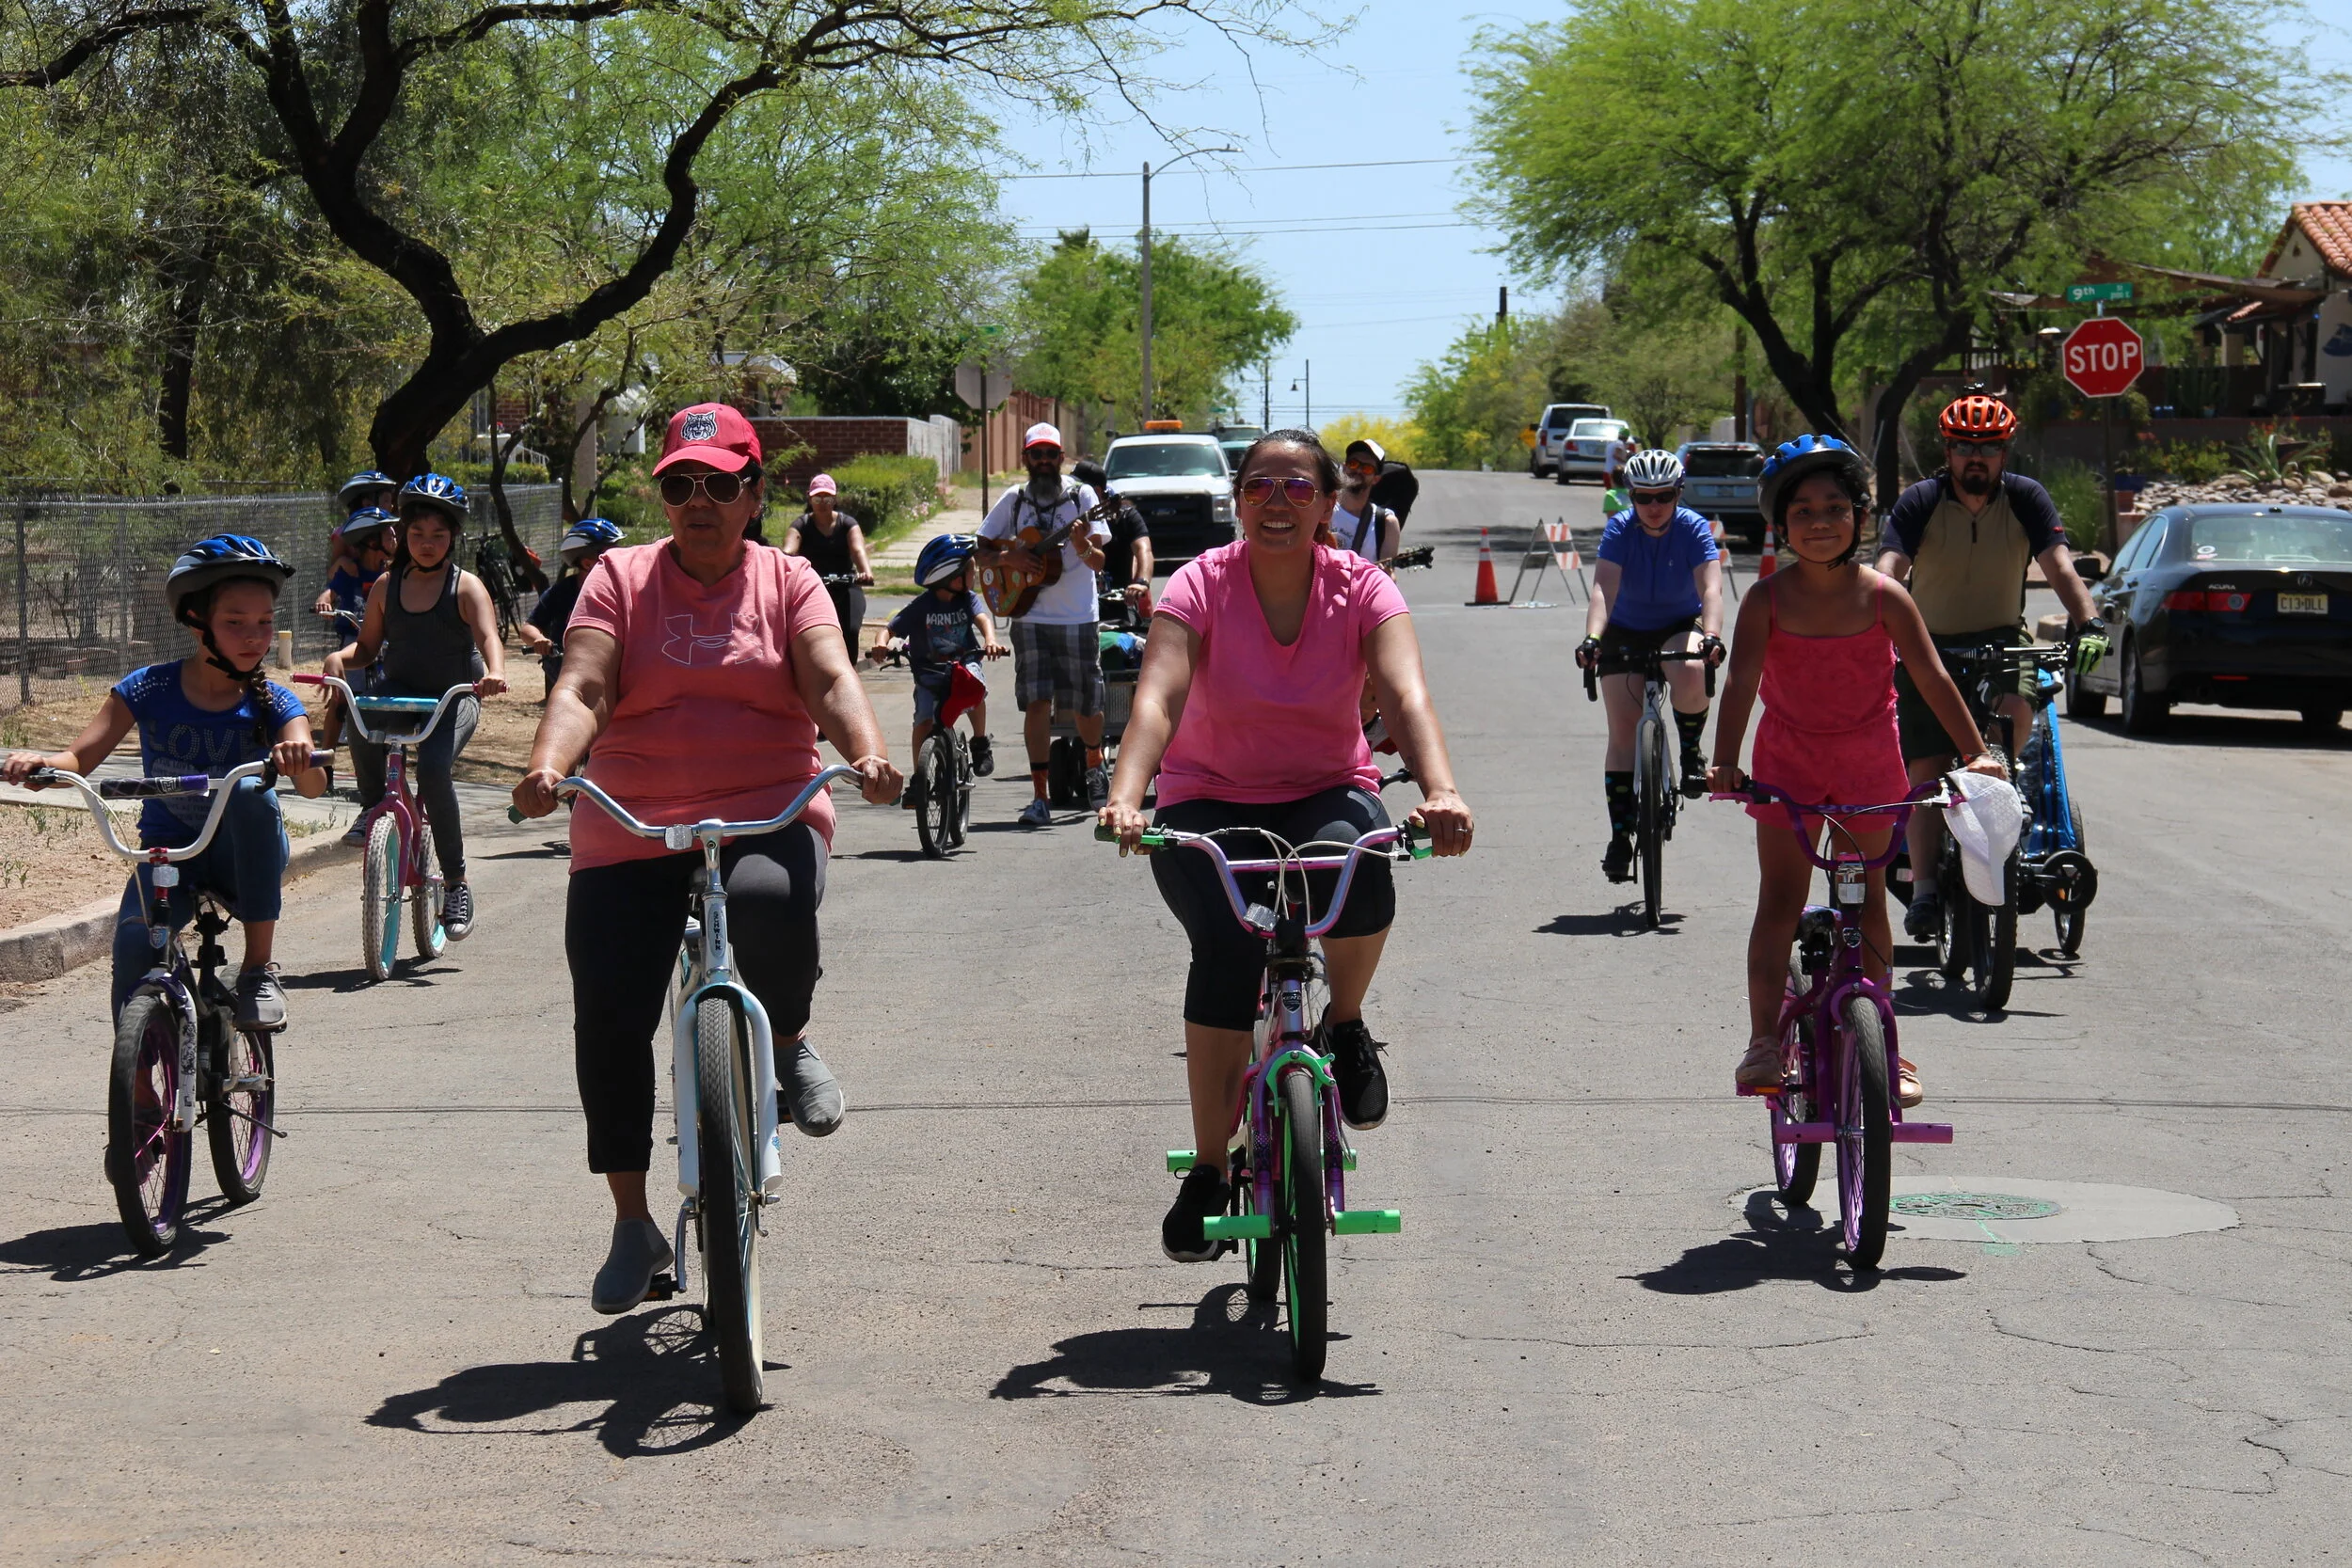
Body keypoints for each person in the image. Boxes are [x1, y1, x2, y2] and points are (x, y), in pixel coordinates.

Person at [511, 402, 900, 1315]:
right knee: (609, 1013)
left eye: (719, 486)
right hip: (631, 818)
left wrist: (868, 751)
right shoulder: (618, 577)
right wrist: (548, 764)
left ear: (754, 495)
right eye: (680, 485)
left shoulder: (789, 579)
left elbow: (828, 675)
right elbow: (583, 682)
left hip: (767, 805)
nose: (698, 501)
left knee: (768, 904)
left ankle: (788, 1043)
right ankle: (632, 1222)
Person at [1098, 429, 1475, 1262]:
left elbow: (1405, 693)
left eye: (1298, 488)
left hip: (1326, 788)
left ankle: (1345, 1020)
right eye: (1259, 487)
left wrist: (1441, 789)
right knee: (1227, 948)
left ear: (1330, 502)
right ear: (1237, 501)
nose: (1277, 502)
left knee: (1364, 870)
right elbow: (1158, 696)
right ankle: (1208, 1166)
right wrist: (1127, 795)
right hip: (1207, 797)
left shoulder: (1363, 586)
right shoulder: (1199, 583)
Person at [1708, 436, 2007, 1106]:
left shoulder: (1886, 597)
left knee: (1868, 898)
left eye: (1835, 507)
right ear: (1780, 525)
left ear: (1861, 517)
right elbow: (1741, 683)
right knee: (1780, 900)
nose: (1820, 521)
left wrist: (1974, 753)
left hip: (1869, 768)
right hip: (1787, 769)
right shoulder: (1765, 600)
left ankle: (1884, 1042)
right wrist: (1725, 762)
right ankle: (1763, 1040)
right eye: (1803, 510)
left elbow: (1932, 677)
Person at [2, 535, 326, 1031]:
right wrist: (41, 764)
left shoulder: (276, 702)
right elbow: (78, 760)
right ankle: (141, 1071)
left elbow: (314, 787)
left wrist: (298, 758)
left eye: (264, 622)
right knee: (134, 944)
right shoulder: (149, 687)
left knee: (246, 791)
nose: (254, 637)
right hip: (168, 856)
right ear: (197, 622)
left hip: (244, 858)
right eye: (235, 622)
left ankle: (258, 970)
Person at [1874, 394, 2107, 942]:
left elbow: (2060, 567)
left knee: (2018, 707)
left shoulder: (2027, 498)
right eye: (1964, 447)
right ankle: (1925, 891)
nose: (1975, 458)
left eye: (1988, 448)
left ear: (2005, 452)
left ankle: (2005, 780)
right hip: (1928, 645)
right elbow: (1889, 566)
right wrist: (1871, 613)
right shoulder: (1921, 500)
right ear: (1947, 452)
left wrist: (2090, 622)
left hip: (2003, 640)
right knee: (1927, 769)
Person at [324, 473, 506, 937]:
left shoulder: (466, 587)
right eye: (418, 533)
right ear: (402, 534)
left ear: (453, 537)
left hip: (454, 697)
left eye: (438, 535)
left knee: (433, 770)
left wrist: (494, 671)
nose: (427, 544)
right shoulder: (386, 586)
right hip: (402, 695)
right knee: (361, 717)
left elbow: (489, 636)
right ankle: (373, 806)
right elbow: (367, 649)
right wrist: (338, 658)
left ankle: (457, 883)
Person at [1573, 449, 1727, 882]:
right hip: (1625, 627)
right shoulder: (1620, 528)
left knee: (1692, 669)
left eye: (1664, 496)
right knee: (1623, 732)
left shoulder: (1693, 527)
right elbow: (1603, 589)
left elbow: (1711, 588)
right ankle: (1620, 837)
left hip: (1679, 624)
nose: (1654, 506)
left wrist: (1712, 635)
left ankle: (1692, 754)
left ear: (1679, 493)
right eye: (1643, 497)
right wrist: (1593, 638)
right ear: (1631, 496)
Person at [975, 422, 1112, 824]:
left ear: (1062, 458)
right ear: (1026, 458)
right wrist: (1009, 558)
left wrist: (1082, 545)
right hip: (1029, 615)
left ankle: (1093, 762)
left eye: (1051, 454)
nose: (1045, 461)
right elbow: (979, 551)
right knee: (1036, 702)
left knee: (1086, 703)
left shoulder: (1082, 497)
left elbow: (1099, 562)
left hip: (1077, 616)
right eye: (1037, 454)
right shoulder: (1014, 499)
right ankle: (1039, 798)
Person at [887, 532, 1005, 781]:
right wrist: (881, 645)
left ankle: (980, 743)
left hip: (964, 663)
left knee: (974, 688)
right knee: (923, 721)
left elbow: (982, 620)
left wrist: (990, 640)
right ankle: (919, 778)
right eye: (971, 571)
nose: (974, 576)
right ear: (952, 577)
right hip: (929, 671)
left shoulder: (968, 600)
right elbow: (890, 629)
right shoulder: (922, 605)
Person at [521, 517, 623, 699]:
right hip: (569, 671)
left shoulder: (623, 590)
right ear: (587, 563)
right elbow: (529, 627)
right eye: (611, 553)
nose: (620, 558)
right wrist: (539, 640)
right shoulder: (562, 592)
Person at [783, 474, 874, 651]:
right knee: (810, 633)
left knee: (850, 630)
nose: (822, 503)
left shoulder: (847, 523)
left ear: (835, 499)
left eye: (828, 498)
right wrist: (783, 562)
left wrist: (866, 572)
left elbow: (857, 549)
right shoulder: (801, 525)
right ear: (810, 499)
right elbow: (789, 550)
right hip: (812, 586)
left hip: (847, 584)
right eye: (817, 498)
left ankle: (850, 665)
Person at [1071, 458, 1153, 627]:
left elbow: (1144, 550)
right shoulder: (1067, 516)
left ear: (1096, 491)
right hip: (1076, 608)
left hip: (1117, 606)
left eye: (1076, 490)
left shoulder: (1126, 516)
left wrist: (1141, 582)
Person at [1331, 438, 1405, 567]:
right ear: (1344, 467)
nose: (1358, 470)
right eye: (1353, 464)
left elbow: (1389, 574)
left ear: (1376, 479)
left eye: (1367, 468)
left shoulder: (1386, 523)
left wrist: (1386, 572)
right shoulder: (1322, 508)